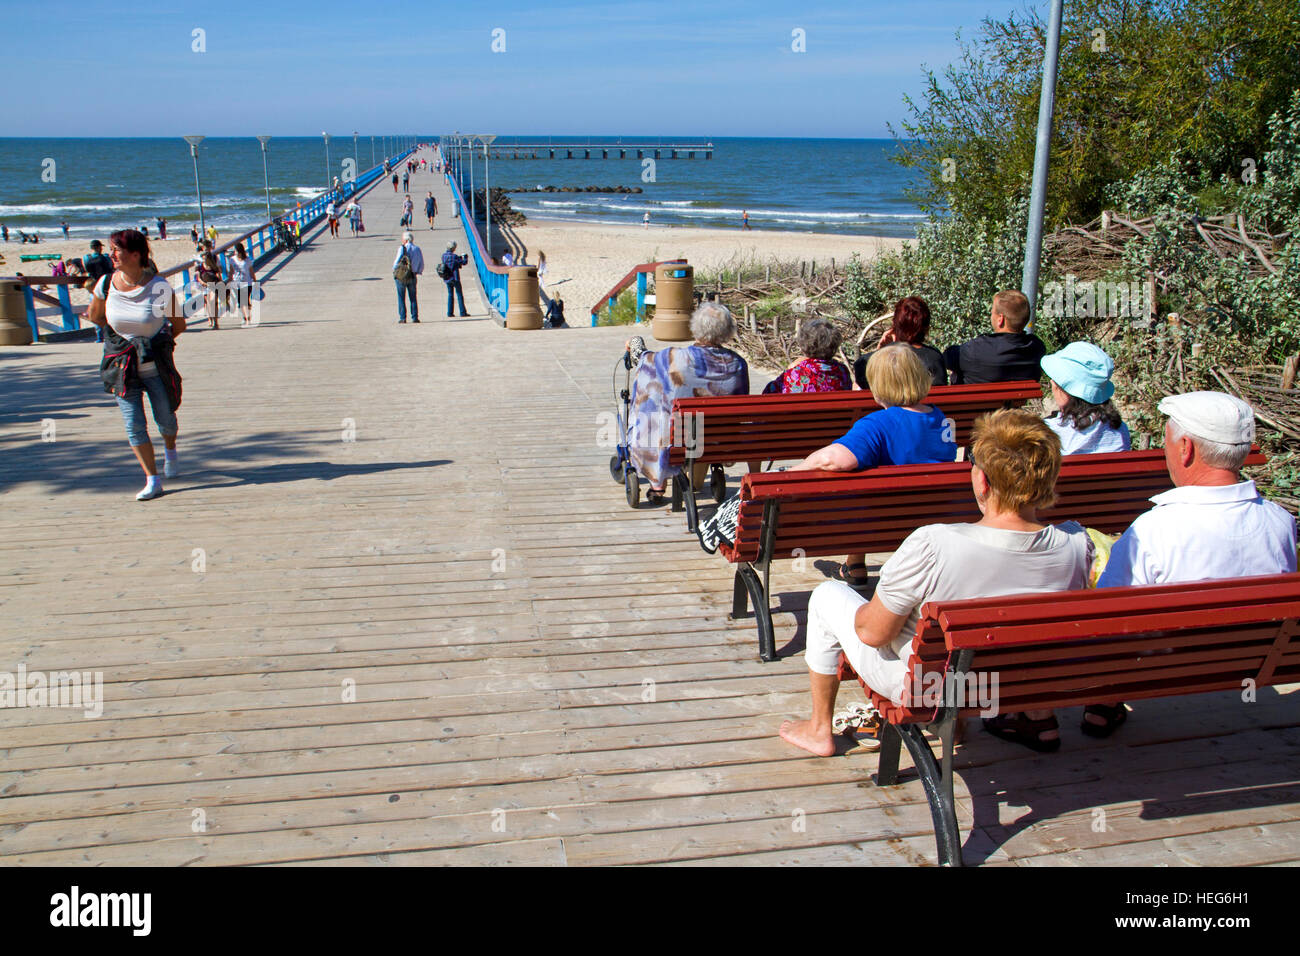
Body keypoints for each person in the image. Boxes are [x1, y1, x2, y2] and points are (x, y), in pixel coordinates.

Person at [779, 408, 1093, 756]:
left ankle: (819, 728)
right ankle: (957, 722)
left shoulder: (934, 544)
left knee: (827, 595)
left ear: (983, 481)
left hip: (933, 689)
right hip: (1016, 686)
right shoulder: (1078, 546)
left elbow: (872, 634)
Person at [1072, 391, 1298, 740]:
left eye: (1167, 442)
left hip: (1164, 666)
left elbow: (1108, 623)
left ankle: (1105, 700)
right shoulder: (1281, 522)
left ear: (1186, 448)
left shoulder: (1154, 529)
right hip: (1250, 661)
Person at [699, 346, 957, 570]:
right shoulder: (942, 419)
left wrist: (795, 469)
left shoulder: (879, 423)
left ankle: (718, 526)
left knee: (781, 483)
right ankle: (854, 565)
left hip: (869, 522)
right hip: (922, 520)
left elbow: (834, 460)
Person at [84, 228, 187, 501]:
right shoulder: (105, 283)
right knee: (134, 425)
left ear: (135, 254)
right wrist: (124, 342)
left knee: (165, 419)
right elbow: (96, 317)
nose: (111, 254)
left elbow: (178, 324)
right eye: (111, 249)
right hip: (122, 368)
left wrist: (155, 344)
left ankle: (170, 449)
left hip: (154, 366)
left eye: (116, 249)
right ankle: (152, 480)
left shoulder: (159, 287)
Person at [628, 303, 750, 495]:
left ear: (695, 328)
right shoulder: (738, 364)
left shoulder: (676, 358)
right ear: (727, 332)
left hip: (680, 442)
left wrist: (636, 343)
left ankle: (657, 483)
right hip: (721, 441)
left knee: (656, 409)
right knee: (690, 420)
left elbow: (644, 360)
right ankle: (691, 480)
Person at [1040, 341, 1130, 454]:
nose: (1053, 384)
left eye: (1056, 382)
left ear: (1067, 392)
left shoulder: (1048, 432)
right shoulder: (1120, 431)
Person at [943, 290, 1045, 385]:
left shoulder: (976, 349)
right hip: (1016, 401)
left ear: (1000, 319)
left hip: (978, 403)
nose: (991, 315)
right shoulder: (1037, 348)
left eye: (992, 312)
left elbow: (946, 358)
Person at [855, 296, 947, 390]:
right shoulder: (934, 358)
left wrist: (881, 351)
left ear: (895, 323)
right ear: (926, 327)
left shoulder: (865, 363)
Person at [763, 318, 853, 394]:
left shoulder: (794, 374)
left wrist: (788, 370)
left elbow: (767, 395)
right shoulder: (842, 371)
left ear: (803, 346)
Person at [84, 239, 114, 343]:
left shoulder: (87, 258)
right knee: (108, 310)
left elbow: (86, 270)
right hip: (106, 285)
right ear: (98, 247)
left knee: (95, 311)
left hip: (94, 286)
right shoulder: (105, 258)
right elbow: (111, 267)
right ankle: (109, 333)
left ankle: (99, 336)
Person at [393, 231, 424, 323]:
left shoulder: (402, 248)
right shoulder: (417, 249)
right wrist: (418, 271)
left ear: (406, 240)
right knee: (413, 297)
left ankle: (403, 317)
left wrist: (395, 271)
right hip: (412, 275)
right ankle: (414, 317)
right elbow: (421, 263)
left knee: (401, 297)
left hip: (402, 276)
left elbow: (396, 261)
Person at [228, 241, 256, 327]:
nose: (234, 252)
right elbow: (231, 271)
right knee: (241, 302)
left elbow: (251, 271)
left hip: (247, 283)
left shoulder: (247, 260)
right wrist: (229, 281)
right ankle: (245, 317)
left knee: (245, 301)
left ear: (240, 251)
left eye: (236, 250)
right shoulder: (232, 260)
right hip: (236, 283)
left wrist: (255, 280)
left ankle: (247, 318)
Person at [441, 240, 470, 317]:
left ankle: (450, 312)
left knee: (450, 294)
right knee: (459, 294)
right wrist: (465, 257)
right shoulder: (454, 256)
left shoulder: (443, 256)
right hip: (455, 277)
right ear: (453, 248)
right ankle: (462, 312)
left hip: (447, 277)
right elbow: (463, 263)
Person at [196, 250, 222, 329]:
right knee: (208, 304)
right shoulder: (199, 267)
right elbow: (198, 278)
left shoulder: (214, 267)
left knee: (213, 303)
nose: (204, 260)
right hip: (205, 286)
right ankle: (210, 320)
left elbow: (219, 277)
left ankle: (216, 322)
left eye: (206, 259)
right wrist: (204, 283)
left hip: (213, 286)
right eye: (203, 259)